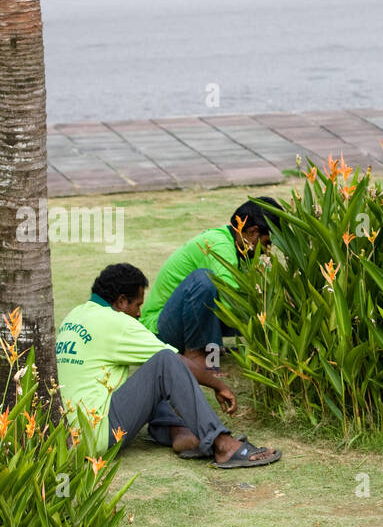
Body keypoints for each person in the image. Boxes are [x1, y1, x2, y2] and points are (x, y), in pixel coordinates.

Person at [56, 262, 281, 468]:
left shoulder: (74, 315)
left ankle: (179, 433)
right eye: (137, 305)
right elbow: (174, 362)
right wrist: (218, 385)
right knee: (164, 362)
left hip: (71, 436)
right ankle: (223, 444)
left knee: (150, 370)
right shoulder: (116, 322)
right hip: (97, 435)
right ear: (122, 301)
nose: (139, 313)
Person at [139, 197, 280, 363]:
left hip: (184, 324)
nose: (267, 250)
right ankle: (199, 358)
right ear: (253, 232)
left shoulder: (242, 250)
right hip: (160, 331)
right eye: (267, 243)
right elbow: (230, 303)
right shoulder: (219, 245)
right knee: (204, 280)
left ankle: (203, 350)